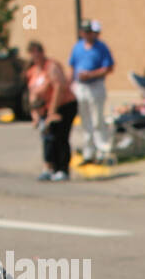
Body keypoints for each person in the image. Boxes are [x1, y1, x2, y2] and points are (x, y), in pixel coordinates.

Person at [25, 41, 75, 182]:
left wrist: (53, 111)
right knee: (47, 137)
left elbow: (59, 87)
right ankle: (49, 167)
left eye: (37, 52)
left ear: (42, 52)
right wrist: (35, 115)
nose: (35, 56)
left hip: (64, 105)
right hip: (45, 108)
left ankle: (62, 169)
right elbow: (33, 94)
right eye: (32, 53)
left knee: (60, 136)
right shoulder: (33, 71)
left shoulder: (51, 67)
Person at [68, 19, 114, 164]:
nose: (87, 34)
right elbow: (72, 67)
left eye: (89, 31)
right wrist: (70, 85)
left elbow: (108, 68)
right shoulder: (77, 47)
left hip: (95, 86)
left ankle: (102, 151)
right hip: (81, 86)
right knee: (85, 121)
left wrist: (91, 74)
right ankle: (88, 152)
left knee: (97, 119)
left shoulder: (101, 47)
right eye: (85, 31)